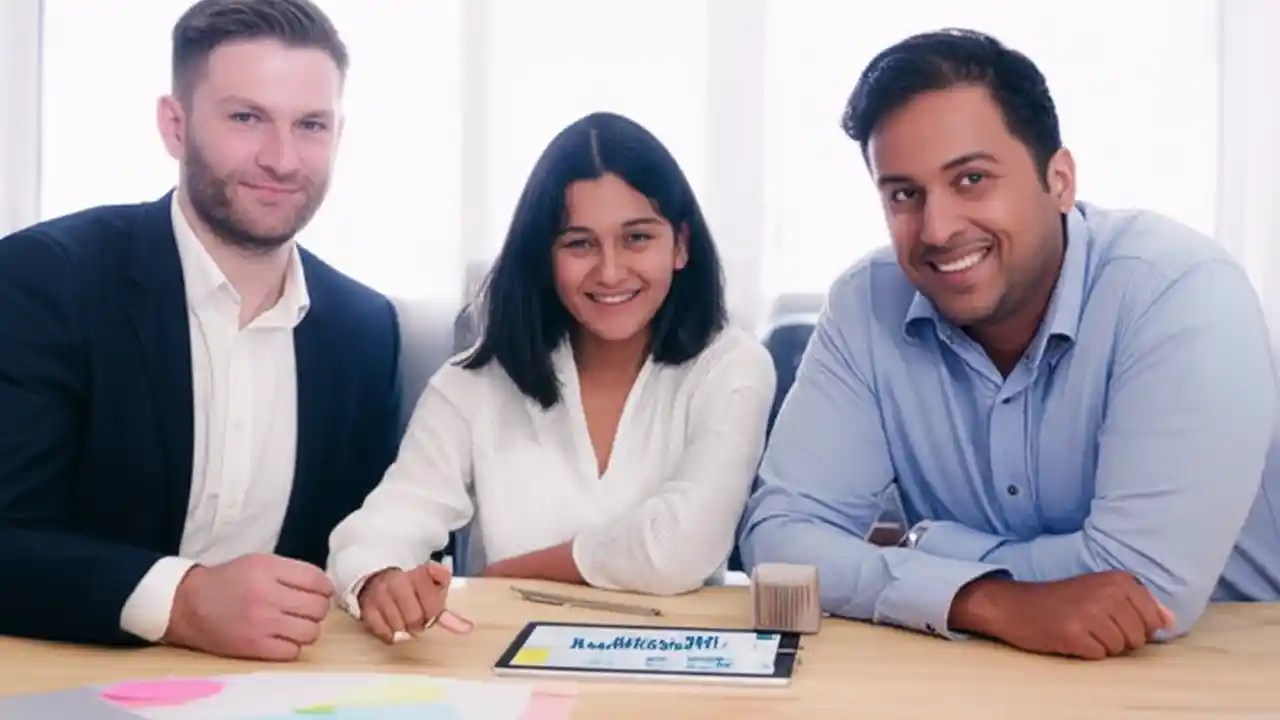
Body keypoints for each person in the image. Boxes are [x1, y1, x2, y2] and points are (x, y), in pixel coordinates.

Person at [739, 28, 1280, 661]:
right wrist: (985, 599)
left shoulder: (1180, 293)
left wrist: (927, 548)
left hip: (1219, 670)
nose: (937, 229)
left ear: (1059, 180)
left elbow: (1143, 588)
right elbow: (780, 539)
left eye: (971, 178)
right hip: (983, 667)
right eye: (904, 195)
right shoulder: (866, 304)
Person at [0, 0, 402, 661]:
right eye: (247, 118)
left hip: (285, 696)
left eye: (311, 125)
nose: (282, 158)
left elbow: (364, 541)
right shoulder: (46, 281)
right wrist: (180, 599)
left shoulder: (365, 330)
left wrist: (389, 573)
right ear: (175, 125)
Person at [328, 111, 776, 644]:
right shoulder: (472, 384)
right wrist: (381, 579)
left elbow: (679, 548)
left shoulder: (732, 366)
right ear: (544, 257)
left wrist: (509, 573)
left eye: (636, 238)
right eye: (579, 243)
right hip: (510, 678)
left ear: (680, 245)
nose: (610, 272)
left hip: (679, 673)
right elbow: (378, 530)